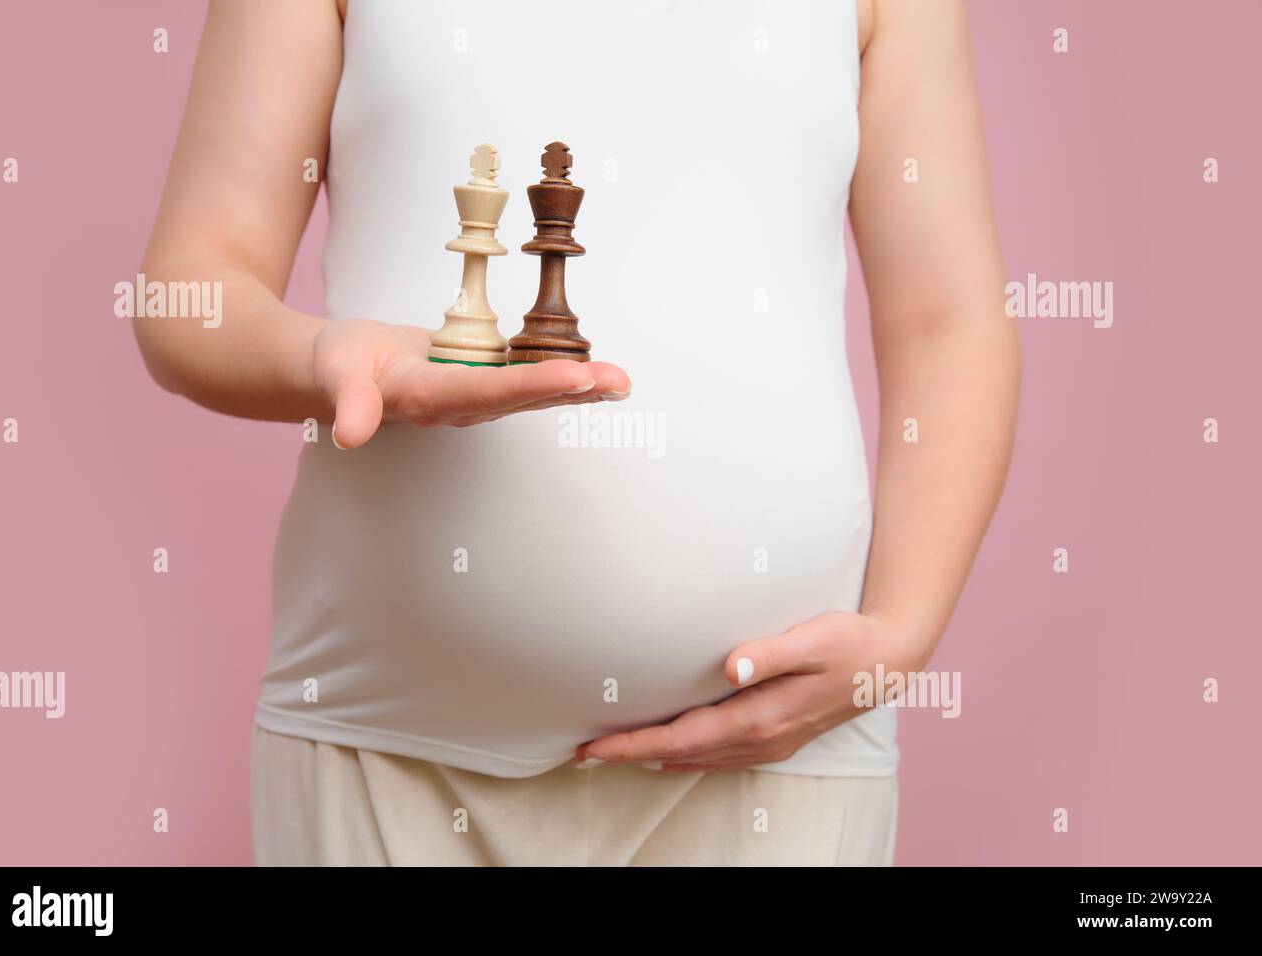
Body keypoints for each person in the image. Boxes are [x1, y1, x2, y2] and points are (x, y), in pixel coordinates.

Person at [134, 0, 1019, 866]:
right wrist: (325, 358)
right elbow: (189, 287)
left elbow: (948, 324)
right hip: (386, 748)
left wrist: (902, 634)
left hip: (783, 762)